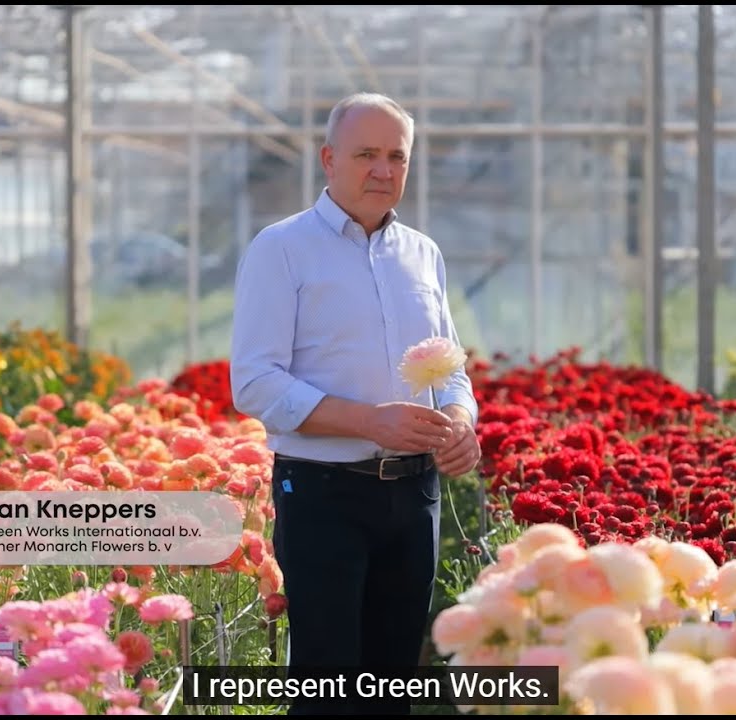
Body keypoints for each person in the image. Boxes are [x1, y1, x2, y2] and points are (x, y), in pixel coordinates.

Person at [230, 92, 481, 715]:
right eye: (366, 154)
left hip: (414, 493)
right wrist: (370, 421)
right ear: (328, 159)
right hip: (323, 494)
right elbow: (255, 382)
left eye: (397, 156)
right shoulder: (281, 248)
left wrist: (461, 421)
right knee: (326, 685)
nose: (383, 169)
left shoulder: (423, 253)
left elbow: (450, 367)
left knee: (394, 679)